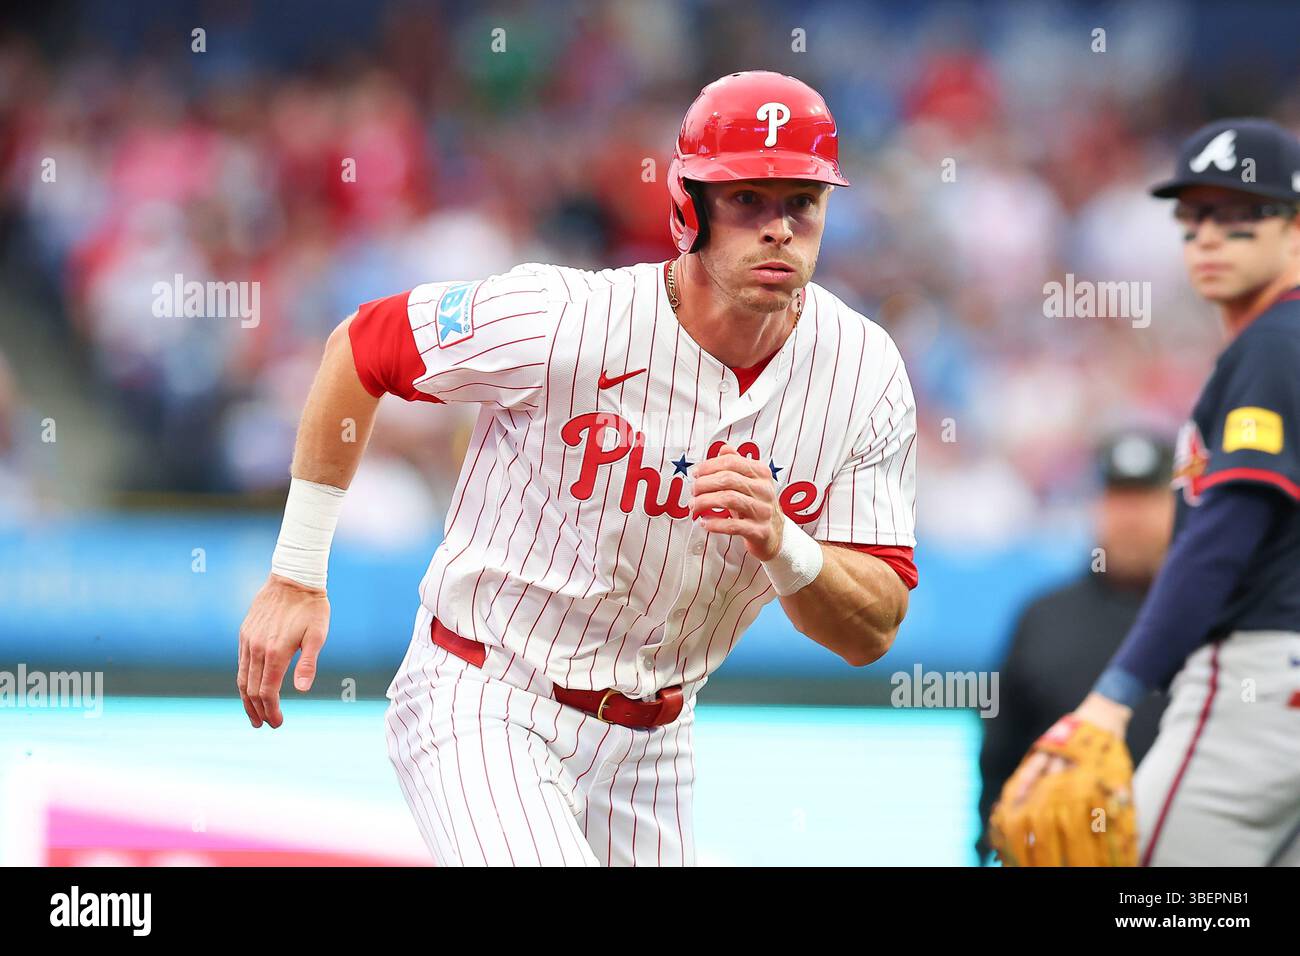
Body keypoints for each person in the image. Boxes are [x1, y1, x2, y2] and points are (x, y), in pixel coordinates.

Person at [235, 71, 920, 866]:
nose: (778, 228)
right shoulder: (568, 319)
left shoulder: (864, 372)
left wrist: (787, 544)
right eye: (747, 200)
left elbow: (874, 628)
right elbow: (360, 348)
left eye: (800, 201)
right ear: (687, 208)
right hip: (488, 690)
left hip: (655, 746)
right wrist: (295, 572)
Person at [992, 118, 1300, 866]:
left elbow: (1223, 534)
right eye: (1194, 217)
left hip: (1254, 676)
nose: (1208, 237)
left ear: (1295, 228)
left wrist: (1110, 701)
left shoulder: (1272, 345)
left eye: (1240, 216)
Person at [975, 430, 1174, 863]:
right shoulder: (1044, 617)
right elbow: (999, 756)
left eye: (1146, 499)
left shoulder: (1215, 622)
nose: (1131, 517)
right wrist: (990, 846)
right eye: (1118, 498)